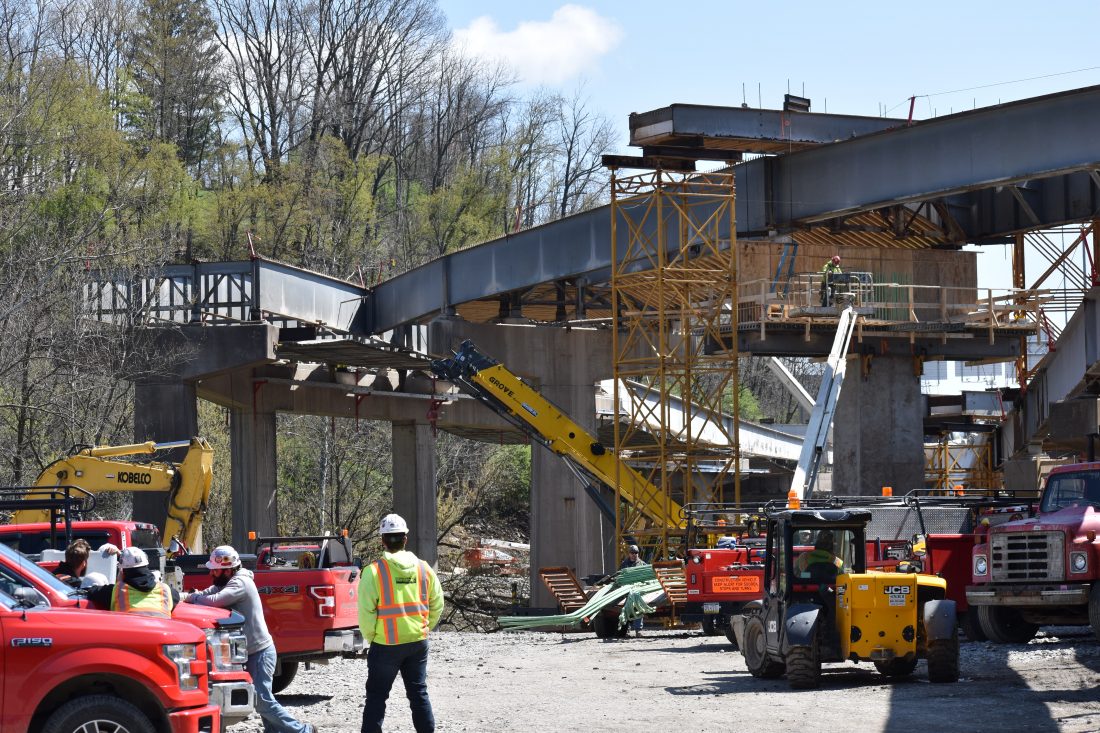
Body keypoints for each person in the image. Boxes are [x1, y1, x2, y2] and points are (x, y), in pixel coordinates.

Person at [184, 545, 315, 733]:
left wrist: (192, 598)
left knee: (262, 700)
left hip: (260, 652)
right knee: (262, 700)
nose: (211, 573)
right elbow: (207, 593)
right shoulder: (228, 581)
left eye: (215, 570)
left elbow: (214, 600)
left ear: (228, 569)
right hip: (253, 652)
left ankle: (303, 731)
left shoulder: (240, 583)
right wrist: (191, 596)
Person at [359, 513, 444, 733]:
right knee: (418, 694)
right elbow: (437, 604)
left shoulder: (373, 572)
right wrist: (424, 626)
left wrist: (373, 637)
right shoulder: (424, 568)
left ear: (382, 540)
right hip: (417, 642)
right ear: (405, 538)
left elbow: (366, 613)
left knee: (376, 698)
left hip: (386, 645)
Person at [86, 546, 178, 618]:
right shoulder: (166, 590)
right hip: (160, 637)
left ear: (123, 572)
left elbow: (91, 591)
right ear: (146, 567)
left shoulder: (116, 591)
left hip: (130, 640)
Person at [618, 545, 646, 636]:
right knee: (627, 609)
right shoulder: (624, 564)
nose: (634, 555)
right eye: (632, 553)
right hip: (627, 590)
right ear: (629, 553)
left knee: (639, 608)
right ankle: (627, 629)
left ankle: (638, 630)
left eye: (636, 553)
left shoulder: (642, 564)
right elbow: (619, 576)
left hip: (638, 590)